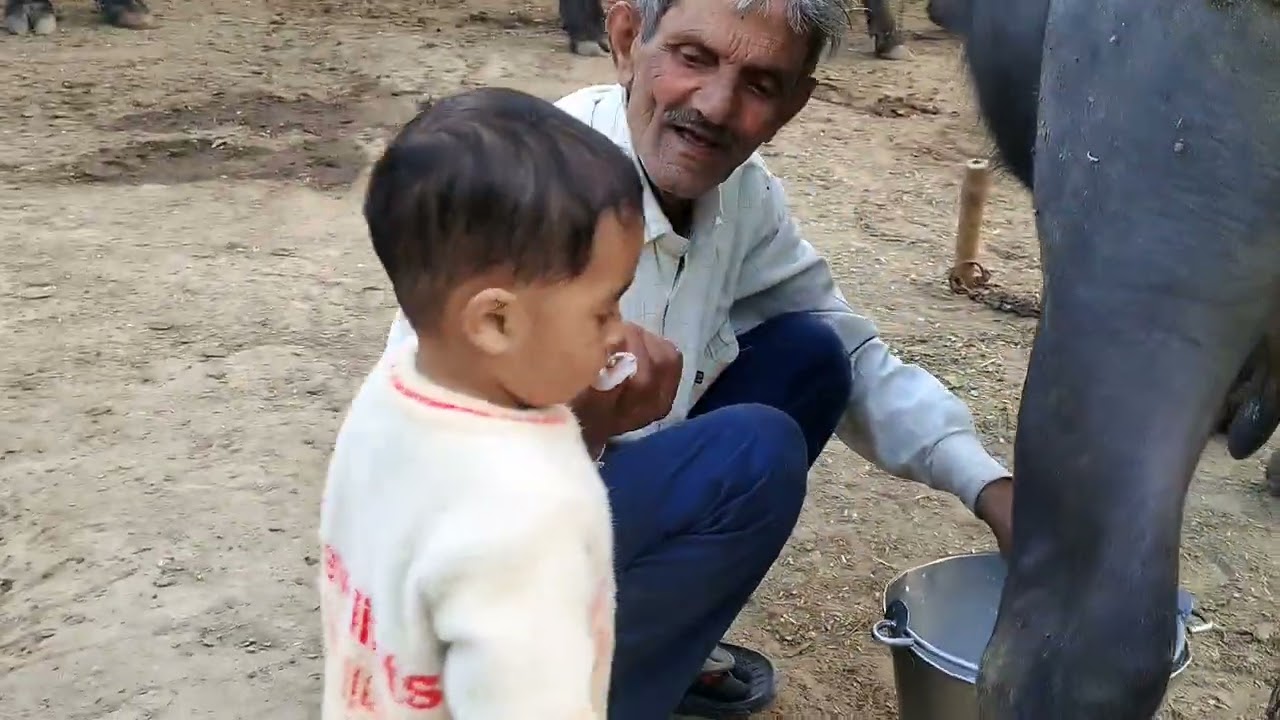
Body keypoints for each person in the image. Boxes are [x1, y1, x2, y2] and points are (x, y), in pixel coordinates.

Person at [381, 1, 1017, 718]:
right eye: (693, 57)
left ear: (794, 104)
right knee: (751, 456)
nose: (714, 106)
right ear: (626, 40)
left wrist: (988, 485)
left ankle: (657, 649)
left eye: (760, 83)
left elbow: (849, 345)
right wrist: (580, 428)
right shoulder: (531, 194)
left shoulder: (740, 197)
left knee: (811, 356)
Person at [320, 87, 647, 718]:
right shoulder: (528, 512)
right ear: (495, 321)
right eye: (604, 307)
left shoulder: (392, 391)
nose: (618, 330)